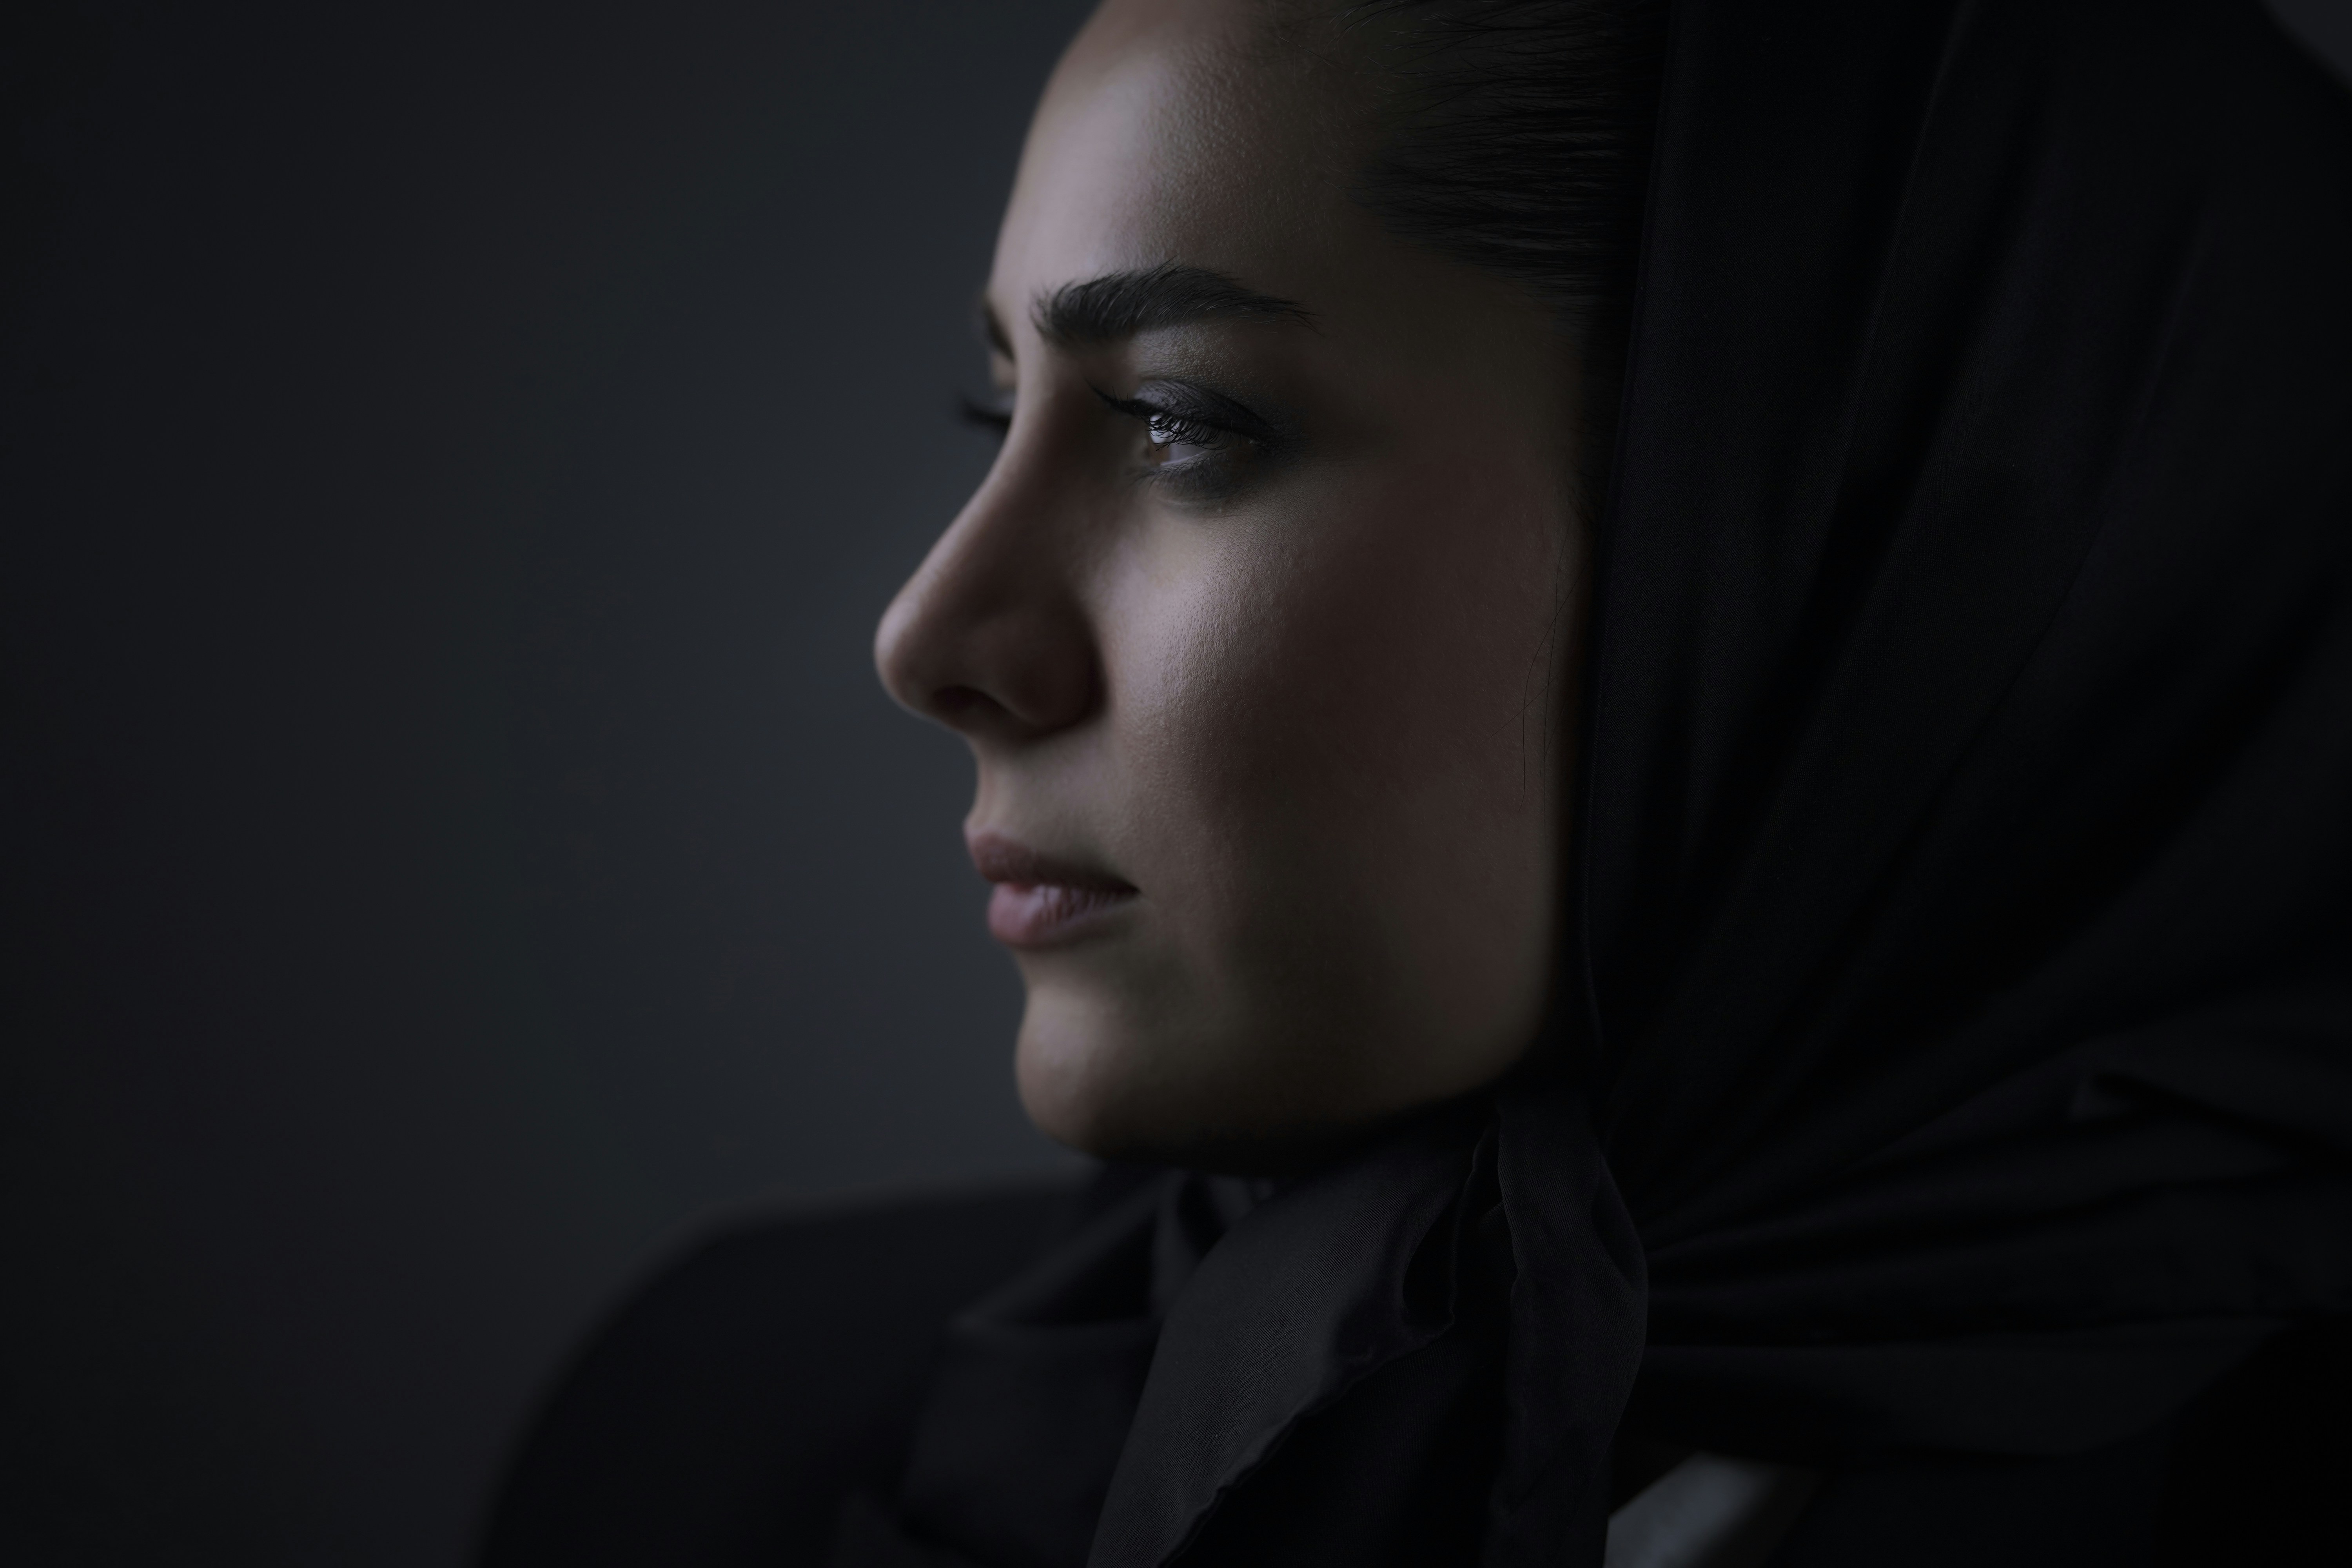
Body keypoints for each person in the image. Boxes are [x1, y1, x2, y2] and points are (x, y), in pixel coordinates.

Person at [482, 0, 2352, 1564]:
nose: (932, 635)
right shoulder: (730, 1432)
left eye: (1176, 419)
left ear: (1890, 546)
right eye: (998, 411)